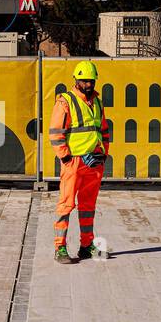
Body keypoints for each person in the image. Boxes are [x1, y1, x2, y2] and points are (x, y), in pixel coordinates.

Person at [49, 61, 112, 263]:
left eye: (91, 80)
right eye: (84, 80)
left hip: (93, 162)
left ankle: (86, 245)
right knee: (66, 204)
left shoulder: (97, 102)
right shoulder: (65, 101)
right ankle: (60, 248)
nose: (88, 84)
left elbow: (103, 130)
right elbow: (55, 132)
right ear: (76, 80)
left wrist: (104, 153)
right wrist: (65, 156)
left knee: (88, 205)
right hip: (73, 162)